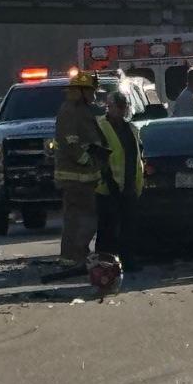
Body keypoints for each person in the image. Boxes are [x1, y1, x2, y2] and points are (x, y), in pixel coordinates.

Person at [46, 72, 108, 281]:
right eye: (90, 91)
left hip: (84, 175)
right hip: (76, 175)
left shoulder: (82, 110)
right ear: (80, 91)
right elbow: (70, 141)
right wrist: (86, 159)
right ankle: (74, 256)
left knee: (79, 217)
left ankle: (74, 255)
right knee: (81, 217)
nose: (93, 95)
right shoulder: (70, 111)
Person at [95, 92, 144, 263]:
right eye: (119, 107)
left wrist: (136, 185)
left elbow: (136, 157)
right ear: (110, 107)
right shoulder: (100, 126)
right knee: (107, 228)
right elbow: (98, 157)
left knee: (128, 227)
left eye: (124, 107)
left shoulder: (130, 128)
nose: (122, 111)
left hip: (129, 186)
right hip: (107, 188)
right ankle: (105, 263)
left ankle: (128, 260)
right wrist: (108, 181)